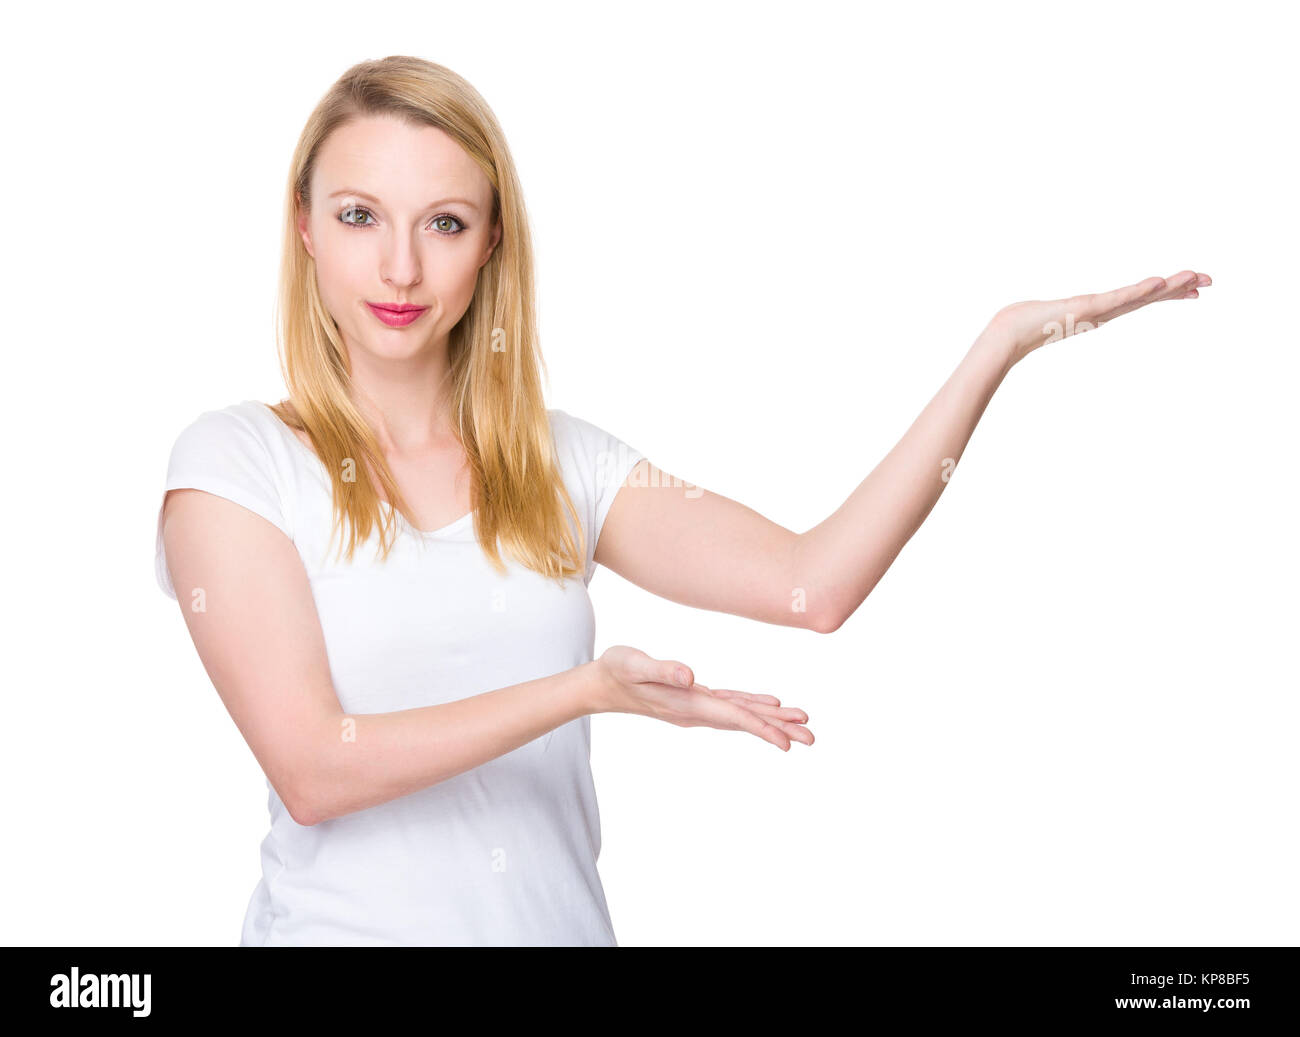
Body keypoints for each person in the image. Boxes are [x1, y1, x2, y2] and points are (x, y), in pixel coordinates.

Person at [155, 55, 1211, 947]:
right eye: (357, 215)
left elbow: (814, 585)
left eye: (442, 221)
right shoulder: (237, 463)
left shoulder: (561, 463)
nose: (398, 265)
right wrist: (582, 690)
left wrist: (1000, 346)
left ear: (490, 245)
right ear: (303, 228)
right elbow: (313, 769)